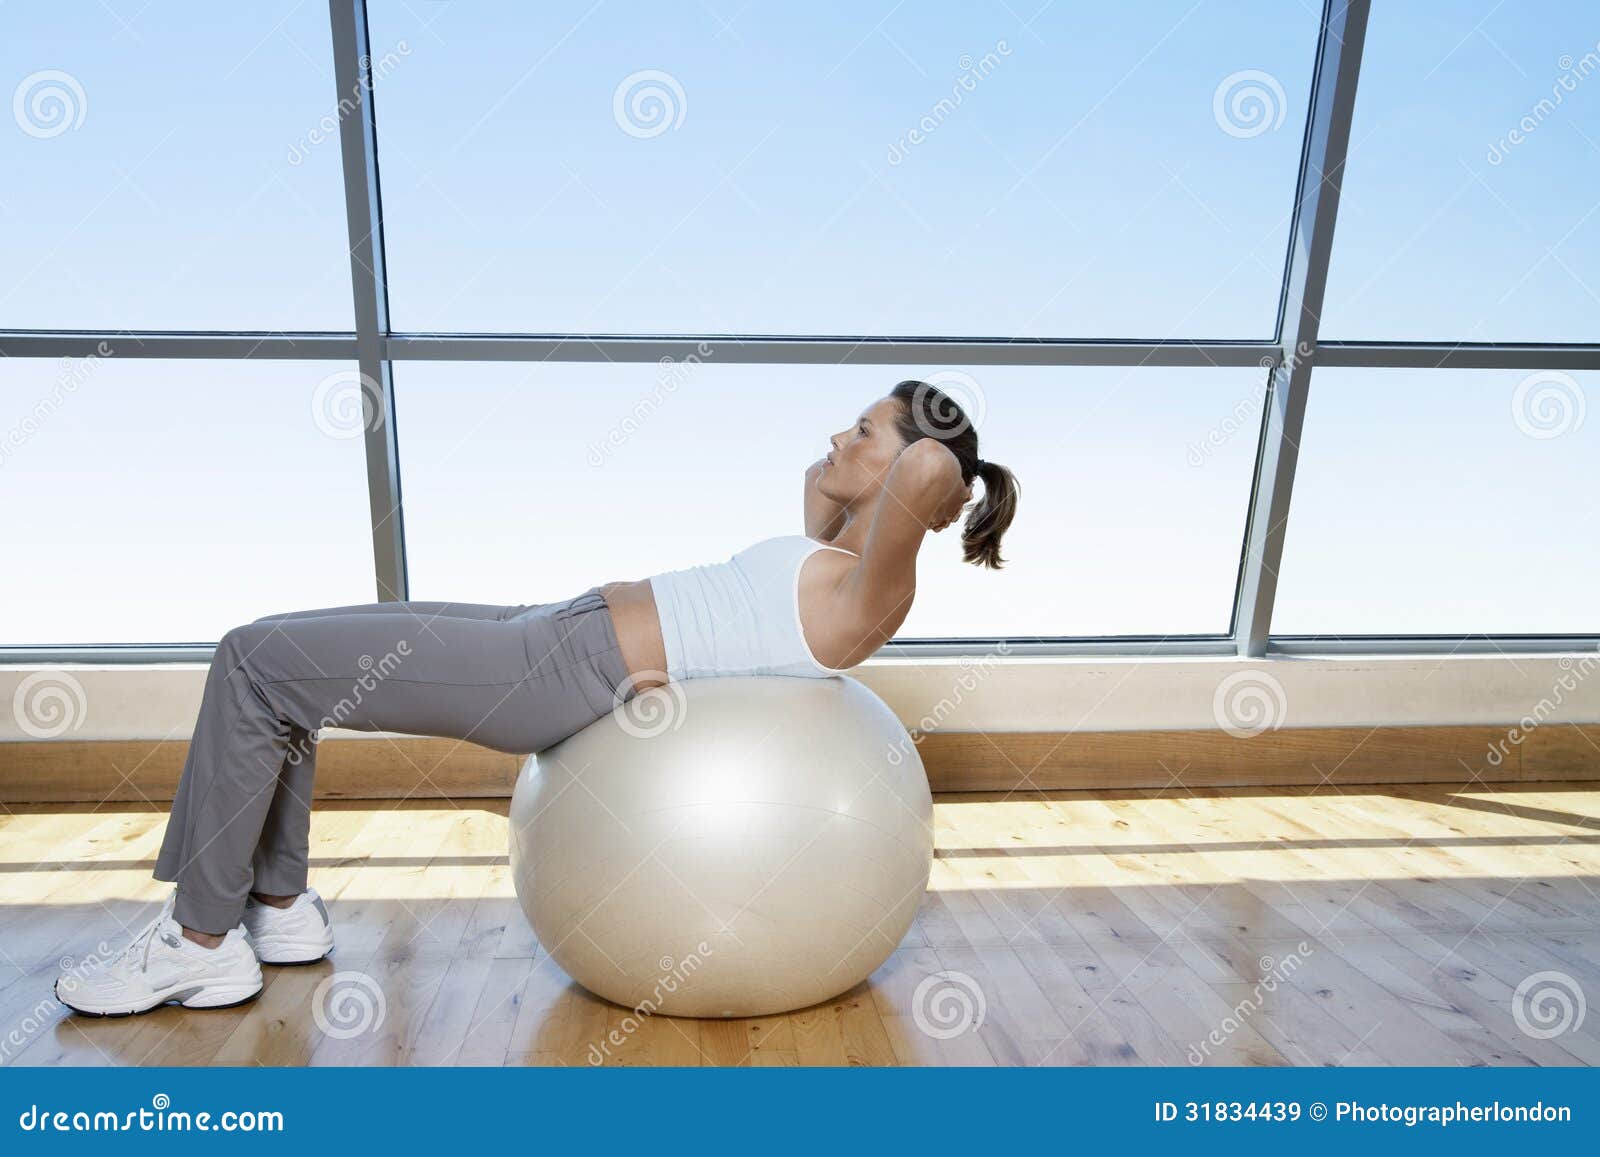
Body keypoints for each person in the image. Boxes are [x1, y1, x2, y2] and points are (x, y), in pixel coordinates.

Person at [53, 379, 1020, 1016]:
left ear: (906, 478)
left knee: (255, 660)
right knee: (283, 668)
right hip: (554, 629)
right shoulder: (835, 552)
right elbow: (821, 483)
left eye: (862, 430)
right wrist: (872, 456)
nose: (837, 436)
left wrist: (935, 472)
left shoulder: (874, 592)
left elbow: (932, 468)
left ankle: (198, 936)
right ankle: (275, 903)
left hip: (554, 675)